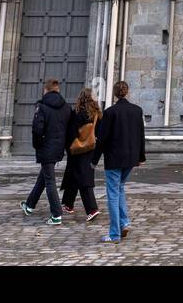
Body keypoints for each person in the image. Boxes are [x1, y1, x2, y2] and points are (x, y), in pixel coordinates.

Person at [93, 80, 146, 244]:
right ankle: (124, 222)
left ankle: (115, 233)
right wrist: (141, 157)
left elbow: (102, 139)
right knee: (120, 189)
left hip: (115, 159)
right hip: (130, 159)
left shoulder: (110, 112)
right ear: (127, 92)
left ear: (115, 94)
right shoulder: (137, 111)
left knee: (113, 194)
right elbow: (140, 135)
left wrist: (93, 161)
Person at [21, 78, 71, 225]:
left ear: (46, 90)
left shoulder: (42, 106)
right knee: (44, 176)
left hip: (46, 147)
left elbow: (37, 129)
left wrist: (38, 145)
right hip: (58, 148)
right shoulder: (66, 107)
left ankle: (56, 214)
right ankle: (29, 205)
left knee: (49, 180)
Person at [60, 87, 101, 221]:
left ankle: (92, 209)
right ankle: (68, 204)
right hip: (91, 149)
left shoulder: (77, 113)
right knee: (74, 175)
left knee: (83, 179)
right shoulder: (97, 114)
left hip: (77, 150)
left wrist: (70, 147)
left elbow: (71, 132)